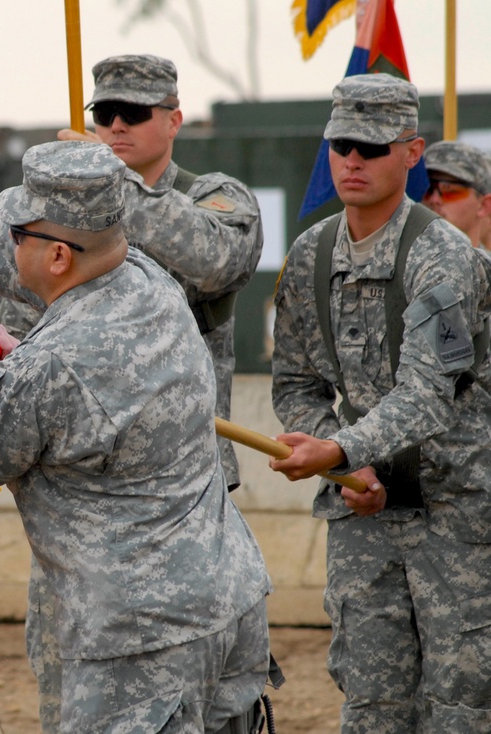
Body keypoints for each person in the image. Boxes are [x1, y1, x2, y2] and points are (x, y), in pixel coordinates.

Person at [0, 140, 272, 734]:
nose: (8, 241)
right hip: (225, 604)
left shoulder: (53, 369)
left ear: (60, 256)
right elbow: (62, 371)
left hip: (137, 646)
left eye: (19, 234)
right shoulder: (147, 279)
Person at [0, 53, 266, 729]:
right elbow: (21, 333)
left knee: (195, 697)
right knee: (74, 686)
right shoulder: (54, 220)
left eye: (134, 115)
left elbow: (215, 259)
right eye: (104, 115)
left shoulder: (216, 200)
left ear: (173, 120)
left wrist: (109, 189)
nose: (115, 127)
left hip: (181, 502)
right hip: (81, 511)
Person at [271, 74, 491, 732]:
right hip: (364, 519)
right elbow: (296, 384)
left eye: (371, 146)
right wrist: (347, 469)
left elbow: (431, 392)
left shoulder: (443, 258)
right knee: (370, 702)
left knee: (461, 702)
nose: (353, 161)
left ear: (412, 152)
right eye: (341, 145)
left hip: (455, 520)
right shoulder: (311, 256)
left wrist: (343, 449)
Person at [420, 139, 491, 248]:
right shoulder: (397, 261)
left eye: (449, 191)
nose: (434, 199)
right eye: (428, 189)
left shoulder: (485, 265)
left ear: (484, 205)